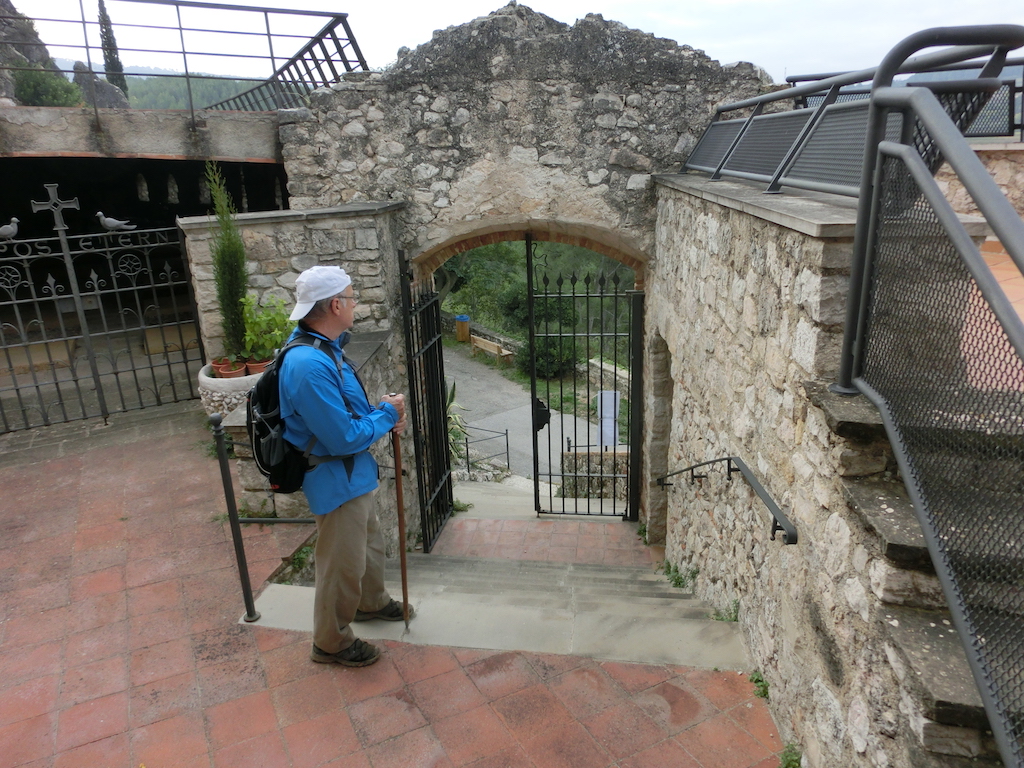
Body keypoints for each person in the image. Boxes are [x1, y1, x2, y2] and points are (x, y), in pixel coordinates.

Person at [279, 265, 410, 667]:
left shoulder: (325, 349)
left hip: (353, 474)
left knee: (368, 547)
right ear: (336, 305)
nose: (356, 304)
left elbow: (348, 415)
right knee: (340, 563)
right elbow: (343, 437)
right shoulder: (308, 364)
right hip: (335, 479)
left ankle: (370, 603)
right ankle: (331, 641)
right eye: (352, 298)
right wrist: (386, 416)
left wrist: (379, 413)